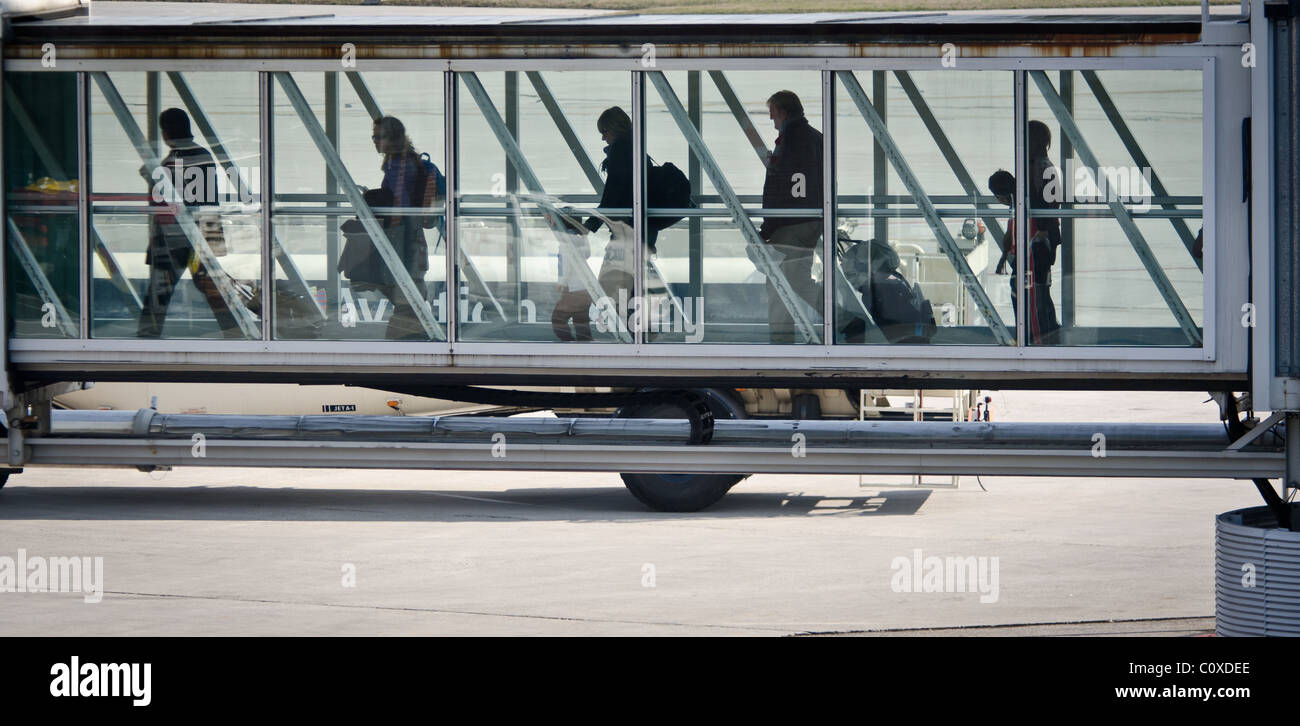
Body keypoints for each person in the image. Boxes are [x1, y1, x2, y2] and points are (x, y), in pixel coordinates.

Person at [138, 108, 241, 338]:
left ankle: (147, 335)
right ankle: (235, 329)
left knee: (159, 289)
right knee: (212, 287)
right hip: (201, 234)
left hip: (173, 238)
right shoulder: (203, 155)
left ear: (167, 131)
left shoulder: (172, 161)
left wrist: (151, 175)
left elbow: (166, 199)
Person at [760, 90, 823, 344]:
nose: (772, 121)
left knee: (777, 283)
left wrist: (767, 229)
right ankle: (845, 319)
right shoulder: (817, 138)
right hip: (813, 219)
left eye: (773, 115)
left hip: (791, 223)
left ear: (784, 113)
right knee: (798, 281)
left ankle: (781, 340)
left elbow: (781, 188)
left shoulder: (789, 141)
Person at [371, 116, 431, 339]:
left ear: (393, 138)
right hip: (413, 238)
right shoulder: (409, 161)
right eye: (374, 137)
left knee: (405, 298)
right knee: (410, 296)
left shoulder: (398, 166)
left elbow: (402, 206)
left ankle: (404, 344)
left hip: (403, 239)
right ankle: (413, 340)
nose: (375, 141)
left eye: (380, 137)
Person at [989, 169, 1059, 345]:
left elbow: (1025, 233)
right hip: (1034, 258)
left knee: (1030, 299)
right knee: (1039, 298)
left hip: (1032, 259)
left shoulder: (1023, 204)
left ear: (1001, 196)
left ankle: (1034, 340)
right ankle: (1041, 336)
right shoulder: (1020, 203)